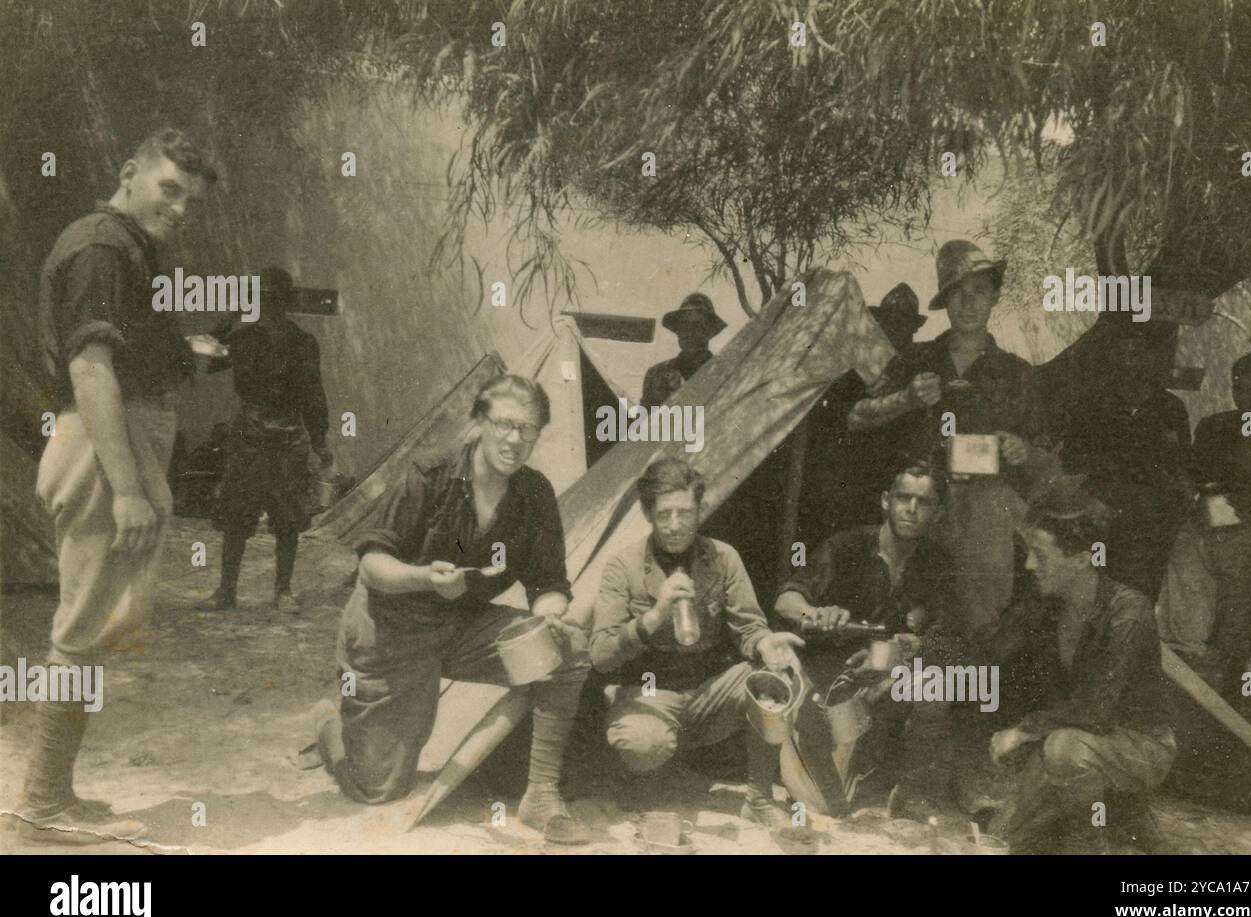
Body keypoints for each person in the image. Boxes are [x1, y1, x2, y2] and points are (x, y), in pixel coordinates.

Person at [21, 129, 216, 844]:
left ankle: (53, 791)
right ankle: (41, 799)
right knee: (79, 628)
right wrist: (128, 488)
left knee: (95, 622)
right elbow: (91, 371)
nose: (180, 206)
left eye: (190, 198)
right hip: (107, 449)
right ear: (129, 173)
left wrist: (176, 351)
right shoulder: (102, 244)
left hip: (119, 441)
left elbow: (117, 357)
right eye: (169, 188)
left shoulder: (124, 244)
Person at [310, 375, 592, 843]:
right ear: (480, 422)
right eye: (504, 423)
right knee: (377, 788)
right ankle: (327, 726)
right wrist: (423, 578)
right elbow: (373, 566)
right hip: (390, 627)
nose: (514, 439)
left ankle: (540, 794)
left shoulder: (535, 493)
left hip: (463, 626)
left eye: (529, 429)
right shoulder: (430, 473)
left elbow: (549, 581)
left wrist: (551, 610)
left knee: (566, 649)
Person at [589, 458, 807, 830]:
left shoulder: (723, 558)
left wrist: (766, 644)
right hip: (648, 694)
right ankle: (640, 776)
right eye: (665, 513)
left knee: (775, 681)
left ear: (700, 510)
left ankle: (757, 797)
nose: (675, 525)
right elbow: (601, 655)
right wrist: (654, 615)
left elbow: (749, 628)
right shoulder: (622, 566)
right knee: (644, 744)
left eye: (685, 513)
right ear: (647, 512)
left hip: (711, 692)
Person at [848, 240, 1048, 631]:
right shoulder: (916, 359)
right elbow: (856, 416)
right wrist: (905, 399)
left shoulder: (1017, 373)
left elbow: (1046, 455)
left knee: (979, 622)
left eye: (978, 292)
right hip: (919, 507)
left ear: (994, 298)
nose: (968, 303)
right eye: (957, 293)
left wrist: (1023, 450)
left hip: (986, 514)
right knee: (907, 621)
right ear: (944, 302)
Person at [986, 481, 1176, 854]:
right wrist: (917, 654)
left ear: (1082, 558)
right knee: (1002, 838)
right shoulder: (1046, 605)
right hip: (1080, 735)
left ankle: (1088, 845)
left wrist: (1024, 731)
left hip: (1141, 743)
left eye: (1039, 554)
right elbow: (986, 645)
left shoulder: (1128, 611)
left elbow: (1097, 710)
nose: (1028, 564)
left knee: (1063, 749)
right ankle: (1123, 815)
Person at [774, 460, 962, 817]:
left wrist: (900, 656)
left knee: (933, 685)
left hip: (885, 681)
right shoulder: (846, 547)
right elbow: (786, 601)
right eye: (903, 498)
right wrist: (816, 614)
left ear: (937, 512)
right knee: (824, 803)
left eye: (923, 502)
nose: (911, 509)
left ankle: (906, 791)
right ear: (885, 501)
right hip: (828, 681)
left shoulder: (938, 564)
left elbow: (951, 640)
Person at [197, 268, 330, 613]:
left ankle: (282, 591)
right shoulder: (244, 340)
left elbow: (314, 394)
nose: (268, 303)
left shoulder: (303, 343)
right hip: (250, 435)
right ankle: (226, 590)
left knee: (288, 518)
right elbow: (207, 358)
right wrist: (230, 319)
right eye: (262, 296)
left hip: (288, 436)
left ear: (284, 301)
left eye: (273, 297)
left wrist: (319, 439)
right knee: (237, 514)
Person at [1060, 321, 1195, 599]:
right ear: (1111, 360)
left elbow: (1181, 469)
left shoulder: (1170, 407)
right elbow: (1071, 465)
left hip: (1151, 524)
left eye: (1135, 355)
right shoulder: (1091, 407)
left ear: (1149, 359)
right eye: (1121, 355)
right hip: (1101, 515)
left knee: (1142, 596)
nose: (1128, 364)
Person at [1190, 352, 1251, 706]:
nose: (1246, 397)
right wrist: (1224, 516)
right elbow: (1203, 483)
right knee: (1236, 607)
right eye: (1239, 388)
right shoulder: (1215, 427)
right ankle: (1237, 687)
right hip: (1230, 534)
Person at [799, 283, 925, 547]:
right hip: (855, 470)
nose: (896, 329)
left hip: (898, 470)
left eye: (904, 323)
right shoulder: (858, 365)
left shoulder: (919, 366)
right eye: (890, 322)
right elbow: (844, 414)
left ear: (914, 328)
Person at [640, 293, 727, 407]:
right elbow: (644, 422)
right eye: (684, 325)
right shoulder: (656, 375)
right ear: (677, 331)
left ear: (709, 331)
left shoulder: (725, 374)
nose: (689, 333)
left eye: (697, 326)